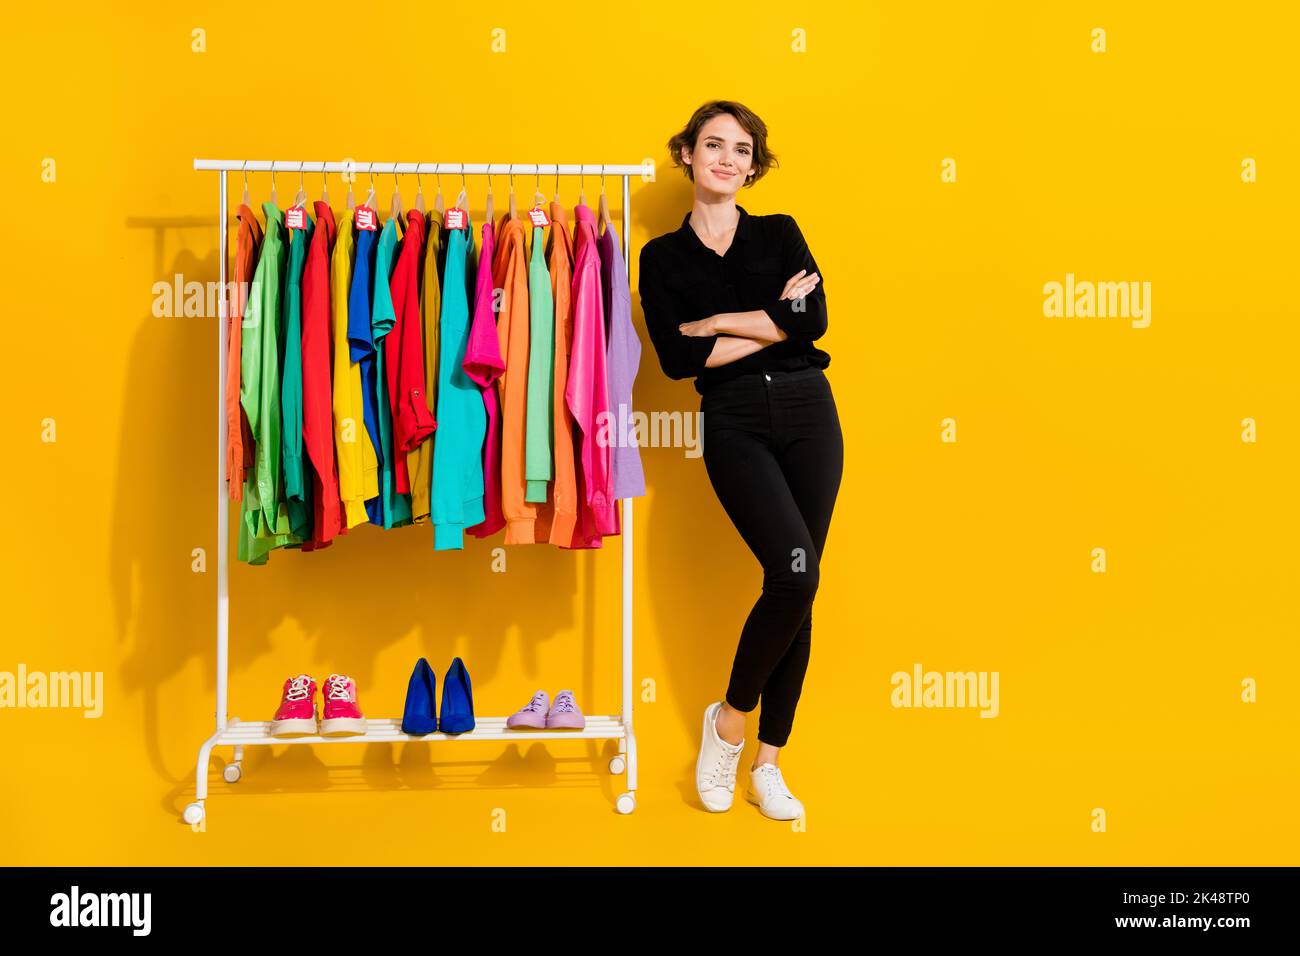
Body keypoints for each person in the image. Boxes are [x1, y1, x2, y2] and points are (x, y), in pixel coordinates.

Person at [639, 100, 843, 820]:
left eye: (741, 148)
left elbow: (812, 321)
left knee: (801, 582)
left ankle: (768, 763)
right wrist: (773, 322)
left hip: (809, 410)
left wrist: (721, 321)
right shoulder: (661, 257)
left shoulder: (780, 234)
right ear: (688, 154)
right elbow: (675, 358)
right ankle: (727, 722)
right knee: (794, 570)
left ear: (754, 165)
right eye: (713, 144)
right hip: (733, 422)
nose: (727, 157)